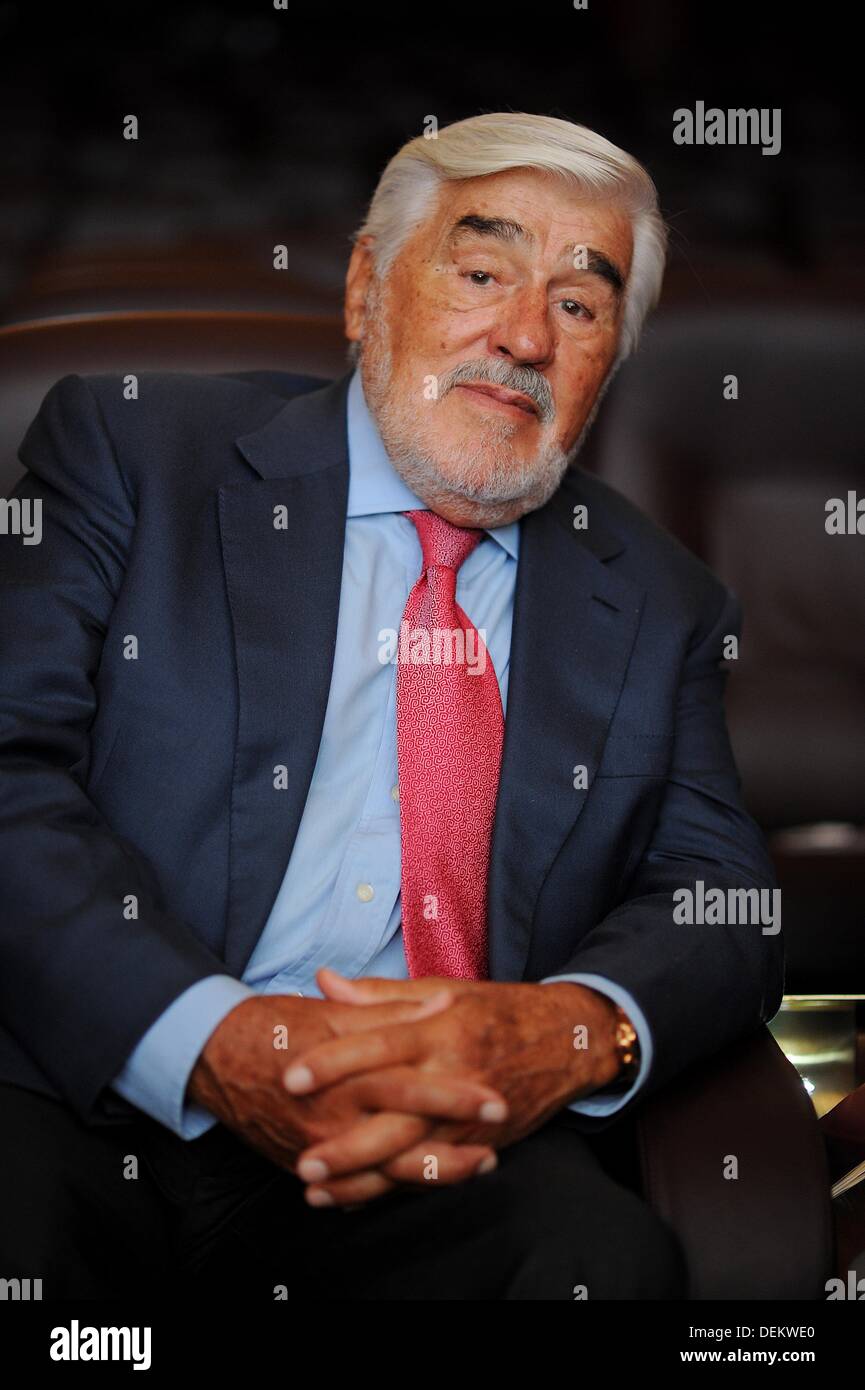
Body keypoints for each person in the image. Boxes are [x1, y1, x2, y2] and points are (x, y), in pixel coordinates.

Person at [0, 112, 782, 1300]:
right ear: (367, 288)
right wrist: (212, 1040)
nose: (522, 335)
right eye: (482, 272)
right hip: (82, 1082)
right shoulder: (137, 450)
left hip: (430, 1137)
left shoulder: (662, 599)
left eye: (580, 306)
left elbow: (724, 901)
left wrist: (561, 1026)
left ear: (606, 364)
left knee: (595, 1265)